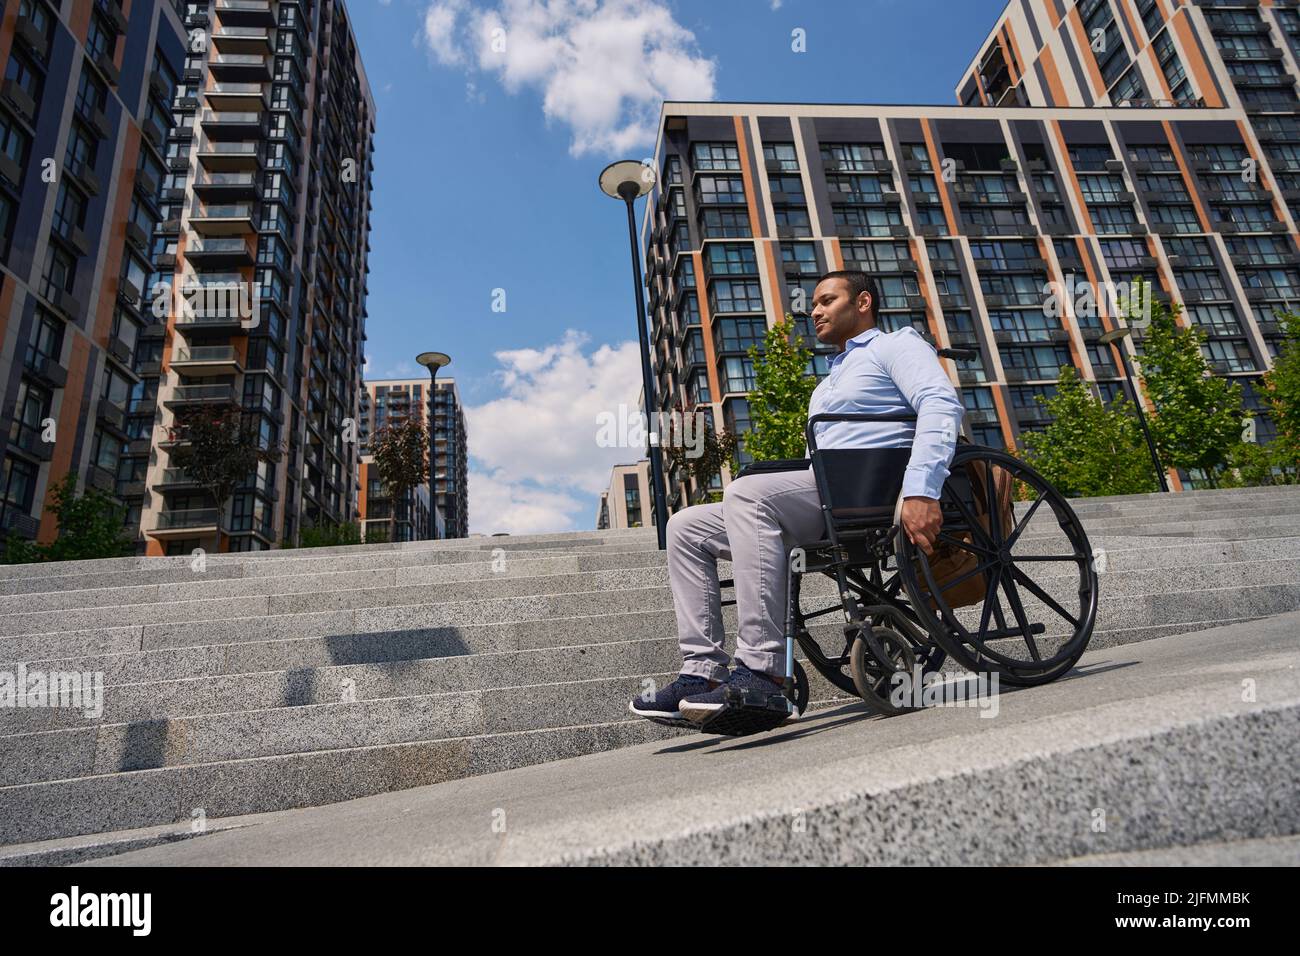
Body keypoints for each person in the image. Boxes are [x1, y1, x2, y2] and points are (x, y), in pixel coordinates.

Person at [629, 269, 966, 726]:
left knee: (747, 494)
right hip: (827, 492)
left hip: (871, 492)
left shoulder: (897, 345)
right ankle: (704, 673)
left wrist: (922, 490)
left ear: (863, 302)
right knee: (685, 526)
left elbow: (940, 404)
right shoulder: (830, 379)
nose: (815, 310)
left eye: (827, 300)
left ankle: (764, 671)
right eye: (814, 303)